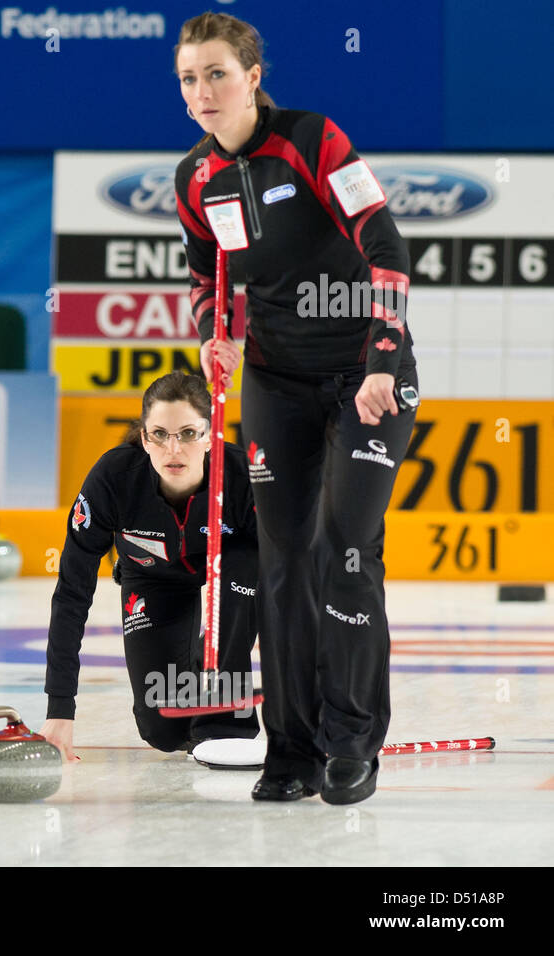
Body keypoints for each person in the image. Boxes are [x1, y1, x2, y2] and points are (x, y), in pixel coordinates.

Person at [173, 12, 418, 804]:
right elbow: (208, 279)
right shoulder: (195, 179)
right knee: (283, 562)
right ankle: (292, 749)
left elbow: (385, 245)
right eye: (188, 78)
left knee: (348, 546)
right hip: (275, 380)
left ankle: (353, 743)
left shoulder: (311, 142)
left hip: (364, 375)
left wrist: (382, 356)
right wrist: (217, 334)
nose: (202, 91)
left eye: (216, 73)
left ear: (251, 75)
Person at [41, 372, 260, 762]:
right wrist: (60, 708)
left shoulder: (241, 477)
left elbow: (291, 572)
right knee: (164, 727)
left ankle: (228, 726)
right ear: (144, 437)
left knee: (239, 589)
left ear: (211, 435)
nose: (173, 449)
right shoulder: (113, 479)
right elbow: (72, 592)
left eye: (189, 434)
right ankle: (196, 669)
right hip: (153, 576)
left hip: (233, 570)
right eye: (159, 434)